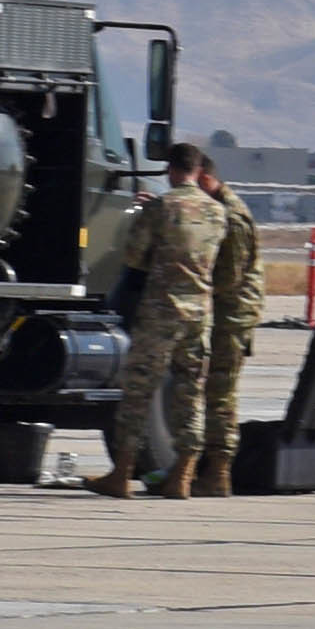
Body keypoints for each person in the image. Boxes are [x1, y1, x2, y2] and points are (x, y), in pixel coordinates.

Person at [96, 142, 231, 501]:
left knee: (139, 390)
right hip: (199, 314)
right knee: (190, 393)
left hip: (161, 312)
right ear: (197, 170)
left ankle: (122, 474)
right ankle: (183, 477)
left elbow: (134, 257)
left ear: (171, 170)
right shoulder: (218, 213)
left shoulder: (162, 207)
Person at [188, 148, 271, 498]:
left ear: (206, 178)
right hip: (224, 311)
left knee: (221, 392)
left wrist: (190, 284)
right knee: (214, 390)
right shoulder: (215, 209)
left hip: (233, 314)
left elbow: (229, 277)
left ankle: (219, 473)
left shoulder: (232, 216)